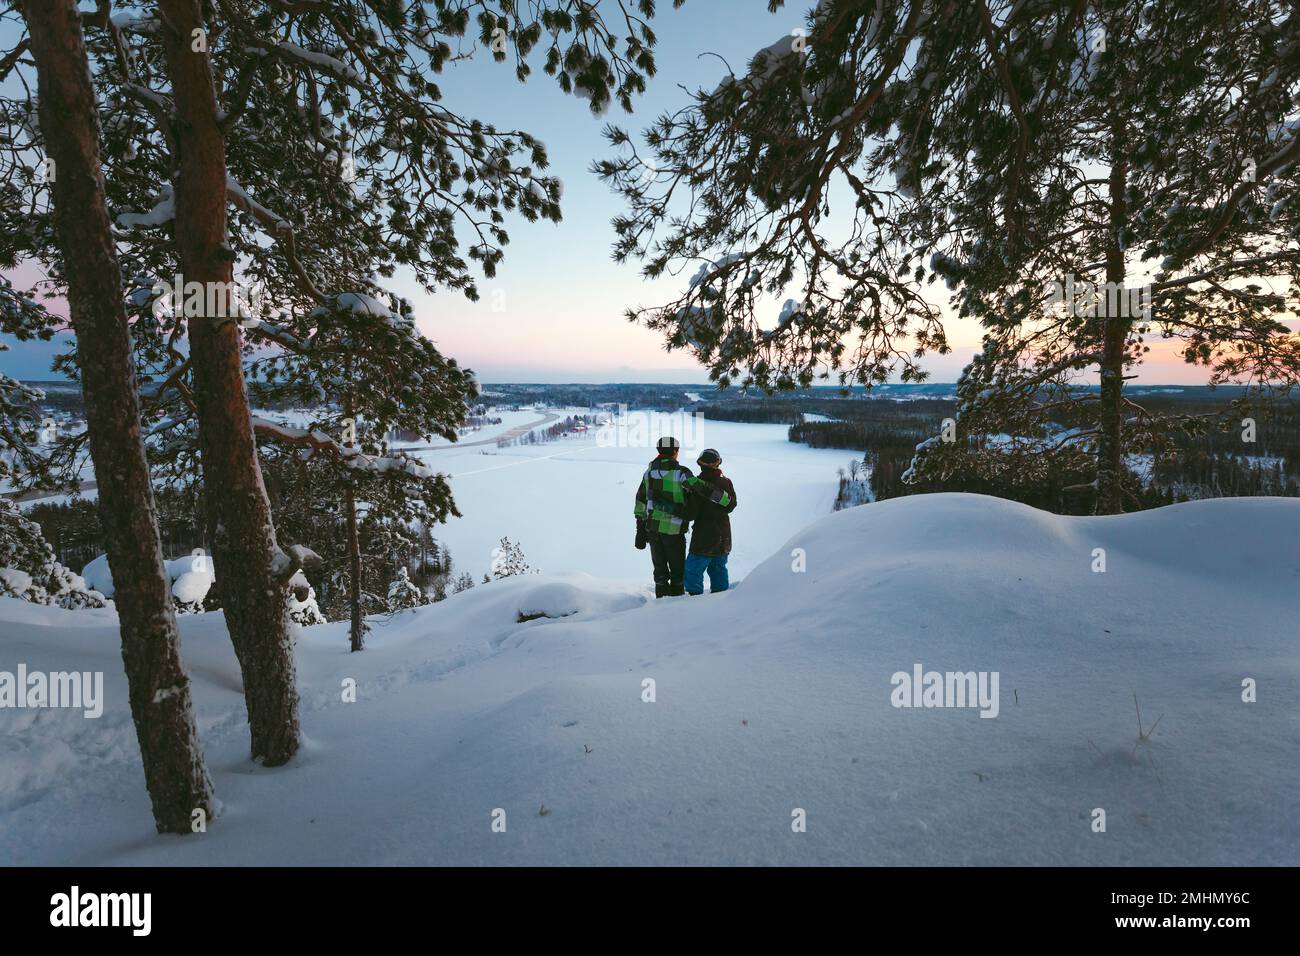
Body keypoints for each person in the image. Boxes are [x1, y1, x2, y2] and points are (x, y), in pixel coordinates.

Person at [634, 436, 732, 597]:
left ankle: (660, 605)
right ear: (675, 451)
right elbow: (700, 488)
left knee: (660, 571)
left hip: (652, 529)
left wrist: (640, 528)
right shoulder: (681, 473)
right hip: (674, 530)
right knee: (677, 572)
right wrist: (724, 499)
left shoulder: (649, 473)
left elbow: (640, 500)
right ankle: (676, 606)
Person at [683, 448, 737, 595]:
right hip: (724, 535)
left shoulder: (697, 486)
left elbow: (690, 514)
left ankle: (694, 604)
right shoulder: (726, 482)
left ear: (700, 464)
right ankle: (721, 602)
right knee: (718, 569)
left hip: (704, 535)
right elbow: (732, 505)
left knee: (693, 569)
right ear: (718, 463)